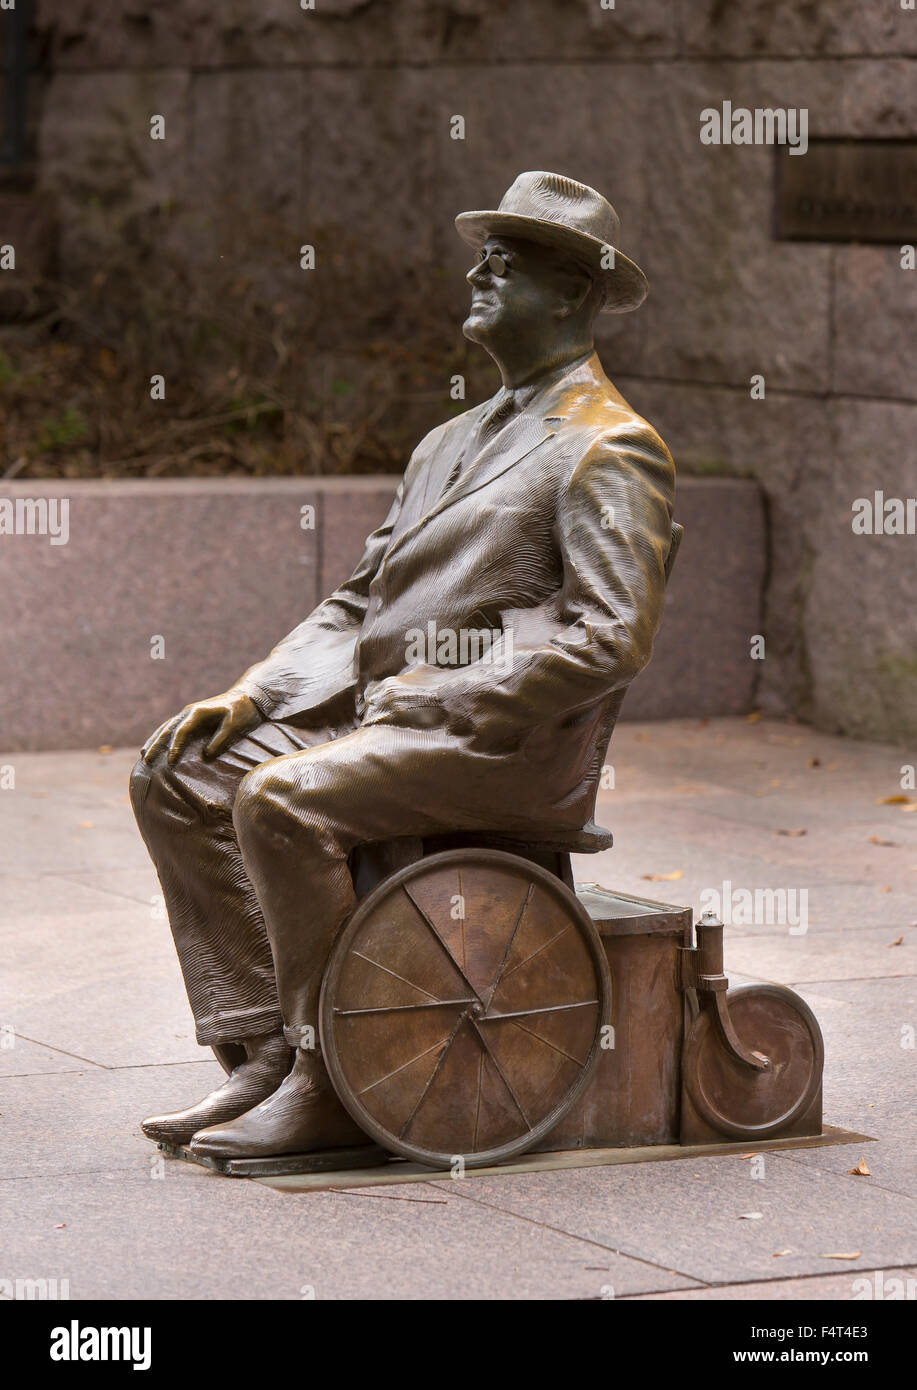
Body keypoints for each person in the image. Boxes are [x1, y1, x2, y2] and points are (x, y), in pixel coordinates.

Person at [131, 171, 676, 1159]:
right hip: (393, 717)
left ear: (574, 295)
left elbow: (610, 635)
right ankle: (262, 1046)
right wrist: (255, 692)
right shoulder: (447, 442)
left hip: (500, 744)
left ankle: (332, 1082)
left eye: (503, 265)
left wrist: (455, 693)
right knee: (176, 770)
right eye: (482, 257)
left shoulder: (611, 448)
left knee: (280, 799)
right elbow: (355, 602)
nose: (475, 273)